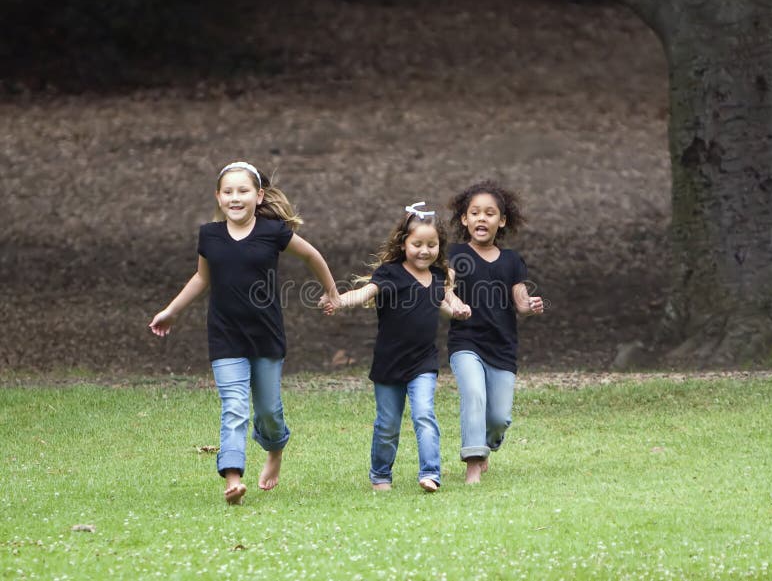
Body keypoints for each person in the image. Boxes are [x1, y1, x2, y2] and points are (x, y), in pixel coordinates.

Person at [149, 162, 339, 505]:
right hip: (226, 337)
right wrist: (172, 311)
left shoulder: (272, 232)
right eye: (228, 192)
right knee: (234, 407)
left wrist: (331, 291)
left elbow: (311, 255)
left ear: (259, 195)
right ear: (218, 197)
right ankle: (233, 479)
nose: (235, 198)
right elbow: (202, 278)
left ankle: (275, 449)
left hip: (266, 337)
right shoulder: (209, 235)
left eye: (243, 191)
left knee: (268, 411)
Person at [320, 202, 470, 493]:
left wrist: (459, 310)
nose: (424, 251)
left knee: (424, 414)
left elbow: (444, 302)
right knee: (388, 424)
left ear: (440, 246)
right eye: (417, 244)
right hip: (389, 363)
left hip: (423, 362)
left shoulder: (439, 276)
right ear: (403, 244)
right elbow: (365, 293)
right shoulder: (390, 273)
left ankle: (430, 473)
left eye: (432, 245)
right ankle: (380, 475)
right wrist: (339, 301)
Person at [447, 181, 544, 484]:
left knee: (499, 418)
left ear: (501, 221)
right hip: (466, 342)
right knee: (474, 396)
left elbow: (520, 300)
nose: (481, 218)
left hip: (502, 347)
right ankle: (473, 464)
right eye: (475, 212)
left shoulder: (512, 260)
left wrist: (529, 305)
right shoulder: (456, 254)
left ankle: (488, 442)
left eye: (489, 213)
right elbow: (445, 286)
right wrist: (453, 301)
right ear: (464, 219)